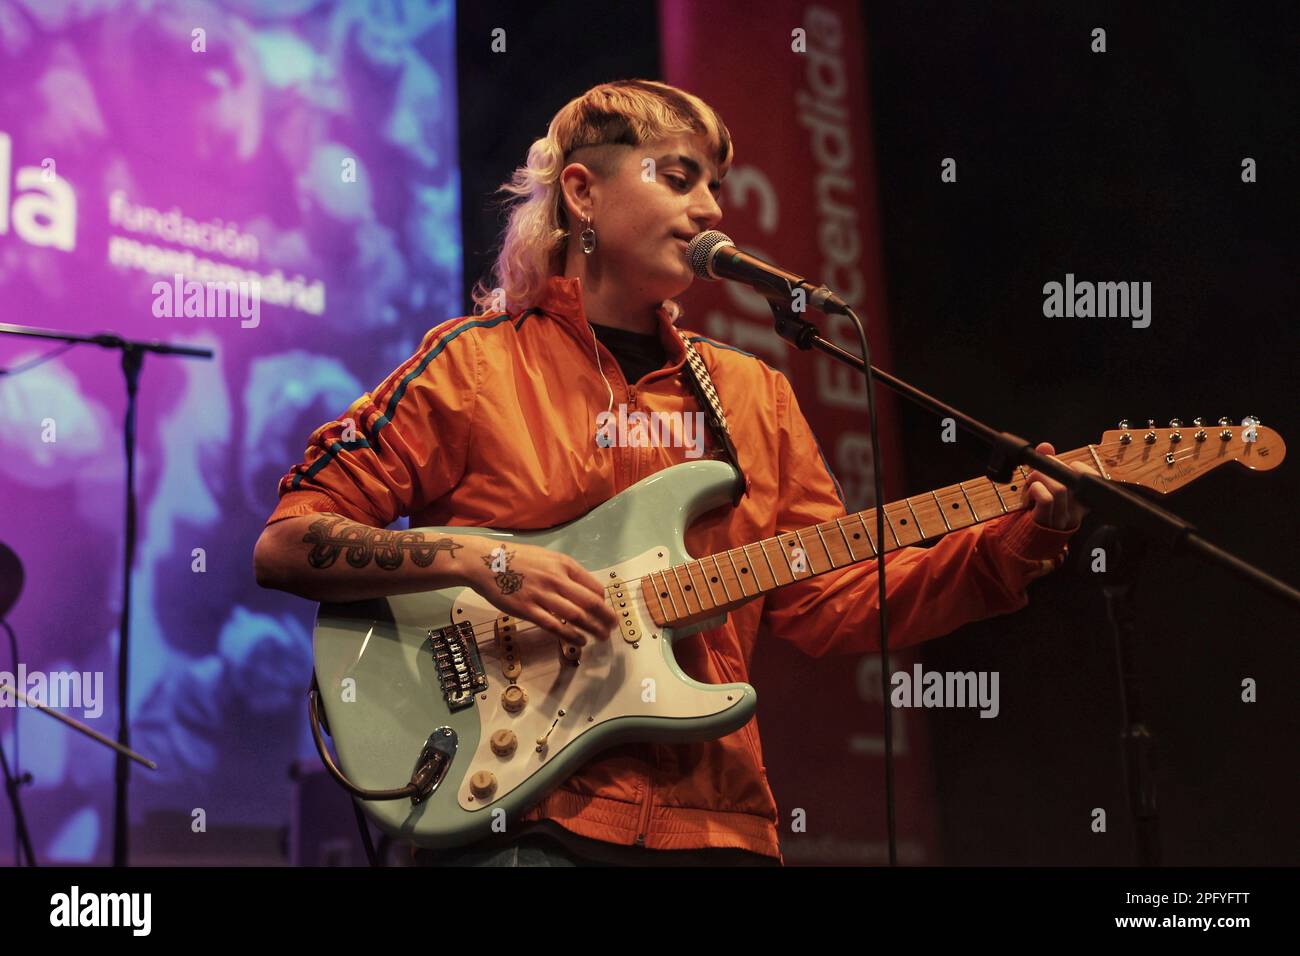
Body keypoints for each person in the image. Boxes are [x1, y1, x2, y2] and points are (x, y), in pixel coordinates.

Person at [253, 79, 1092, 867]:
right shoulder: (471, 367)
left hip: (715, 828)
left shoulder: (752, 395)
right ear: (582, 194)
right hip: (521, 820)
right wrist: (485, 562)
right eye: (681, 177)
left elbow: (838, 600)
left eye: (717, 186)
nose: (710, 209)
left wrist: (1017, 537)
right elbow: (290, 542)